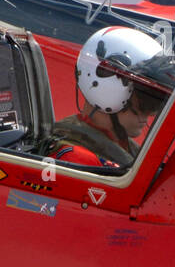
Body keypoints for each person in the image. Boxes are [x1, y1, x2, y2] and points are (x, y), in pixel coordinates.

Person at [45, 26, 168, 169]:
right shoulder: (76, 160)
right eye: (146, 101)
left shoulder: (123, 148)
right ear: (108, 90)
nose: (149, 114)